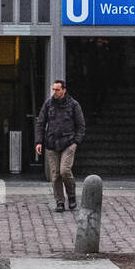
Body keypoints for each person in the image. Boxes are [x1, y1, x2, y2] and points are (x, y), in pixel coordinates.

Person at [35, 79, 85, 212]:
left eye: (57, 90)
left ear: (64, 90)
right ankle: (60, 202)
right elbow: (40, 123)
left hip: (68, 143)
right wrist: (39, 141)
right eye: (53, 89)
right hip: (51, 144)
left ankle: (72, 195)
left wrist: (76, 141)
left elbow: (81, 126)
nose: (55, 92)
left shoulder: (73, 105)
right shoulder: (48, 104)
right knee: (55, 175)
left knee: (64, 170)